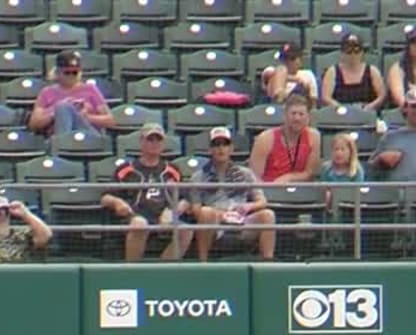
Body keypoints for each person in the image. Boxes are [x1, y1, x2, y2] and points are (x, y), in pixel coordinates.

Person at [180, 126, 276, 261]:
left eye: (225, 144)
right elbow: (196, 209)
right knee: (206, 212)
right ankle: (203, 263)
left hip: (241, 220)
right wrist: (221, 215)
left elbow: (262, 201)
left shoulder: (245, 173)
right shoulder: (198, 177)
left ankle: (268, 263)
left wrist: (248, 207)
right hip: (215, 223)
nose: (221, 148)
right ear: (210, 149)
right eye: (216, 144)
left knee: (268, 215)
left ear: (231, 148)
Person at [99, 122, 190, 262]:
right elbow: (105, 197)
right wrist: (117, 202)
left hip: (163, 215)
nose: (154, 143)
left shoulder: (172, 169)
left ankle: (164, 270)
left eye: (158, 139)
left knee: (186, 230)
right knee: (140, 224)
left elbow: (185, 200)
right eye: (150, 139)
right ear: (141, 142)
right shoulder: (126, 169)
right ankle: (132, 272)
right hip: (134, 215)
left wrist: (173, 211)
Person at [29, 50, 113, 137]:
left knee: (64, 107)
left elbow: (110, 120)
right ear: (57, 72)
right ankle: (63, 143)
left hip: (87, 134)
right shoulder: (47, 92)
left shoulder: (90, 89)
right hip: (55, 134)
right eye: (67, 73)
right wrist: (55, 113)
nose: (71, 76)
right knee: (63, 107)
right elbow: (34, 124)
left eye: (75, 73)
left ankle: (62, 144)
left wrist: (85, 117)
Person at [249, 92, 322, 184]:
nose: (297, 118)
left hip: (301, 191)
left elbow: (309, 173)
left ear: (308, 117)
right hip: (270, 188)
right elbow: (254, 177)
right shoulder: (265, 139)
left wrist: (289, 178)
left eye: (301, 114)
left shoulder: (314, 137)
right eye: (293, 113)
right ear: (285, 115)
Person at [321, 32, 386, 112]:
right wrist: (341, 108)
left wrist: (369, 107)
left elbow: (382, 95)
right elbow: (326, 97)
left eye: (356, 51)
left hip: (366, 113)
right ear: (342, 53)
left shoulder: (372, 71)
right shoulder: (332, 72)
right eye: (348, 51)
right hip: (340, 115)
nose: (352, 55)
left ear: (362, 52)